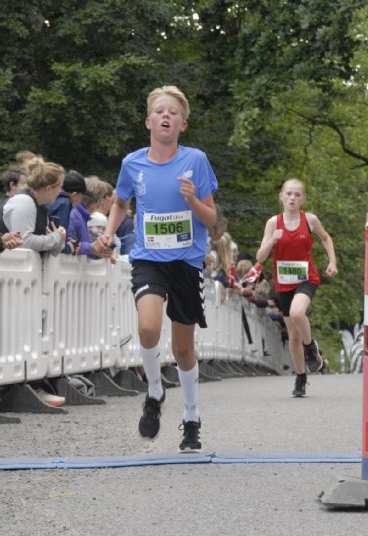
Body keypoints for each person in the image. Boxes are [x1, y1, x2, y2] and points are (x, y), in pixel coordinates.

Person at [92, 85, 218, 452]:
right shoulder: (133, 163)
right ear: (148, 121)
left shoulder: (196, 160)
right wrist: (110, 235)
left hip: (186, 262)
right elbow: (120, 203)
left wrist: (192, 198)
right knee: (147, 327)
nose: (166, 116)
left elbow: (211, 218)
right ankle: (154, 390)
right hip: (149, 257)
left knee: (182, 349)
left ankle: (191, 418)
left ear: (183, 123)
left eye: (173, 112)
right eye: (160, 111)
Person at [255, 178, 337, 397]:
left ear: (303, 199)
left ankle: (311, 348)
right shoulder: (273, 223)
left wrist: (332, 262)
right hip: (283, 284)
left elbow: (326, 238)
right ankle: (301, 377)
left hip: (306, 278)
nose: (292, 198)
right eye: (289, 194)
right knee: (292, 335)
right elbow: (260, 257)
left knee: (297, 312)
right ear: (281, 197)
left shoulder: (309, 220)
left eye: (297, 194)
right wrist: (272, 240)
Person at [0, 157, 67, 255]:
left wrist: (59, 239)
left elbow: (51, 251)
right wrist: (56, 237)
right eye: (60, 187)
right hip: (1, 265)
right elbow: (24, 242)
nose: (61, 191)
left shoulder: (40, 205)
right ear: (49, 189)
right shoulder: (24, 201)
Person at [0, 166, 25, 233]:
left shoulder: (1, 204)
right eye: (24, 184)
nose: (28, 188)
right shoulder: (10, 205)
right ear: (12, 185)